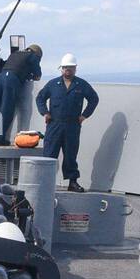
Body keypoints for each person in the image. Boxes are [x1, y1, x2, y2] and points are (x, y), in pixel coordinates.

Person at [36, 53, 99, 193]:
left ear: (75, 68)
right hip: (54, 124)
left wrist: (84, 115)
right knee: (49, 154)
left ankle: (73, 182)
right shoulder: (53, 84)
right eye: (65, 68)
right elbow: (40, 98)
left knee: (71, 154)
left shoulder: (81, 84)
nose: (68, 70)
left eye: (70, 68)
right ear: (61, 68)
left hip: (72, 125)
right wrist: (45, 112)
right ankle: (45, 183)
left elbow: (94, 99)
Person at [0, 44, 41, 145]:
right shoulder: (32, 56)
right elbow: (37, 74)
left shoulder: (15, 53)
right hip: (11, 79)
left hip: (1, 77)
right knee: (6, 109)